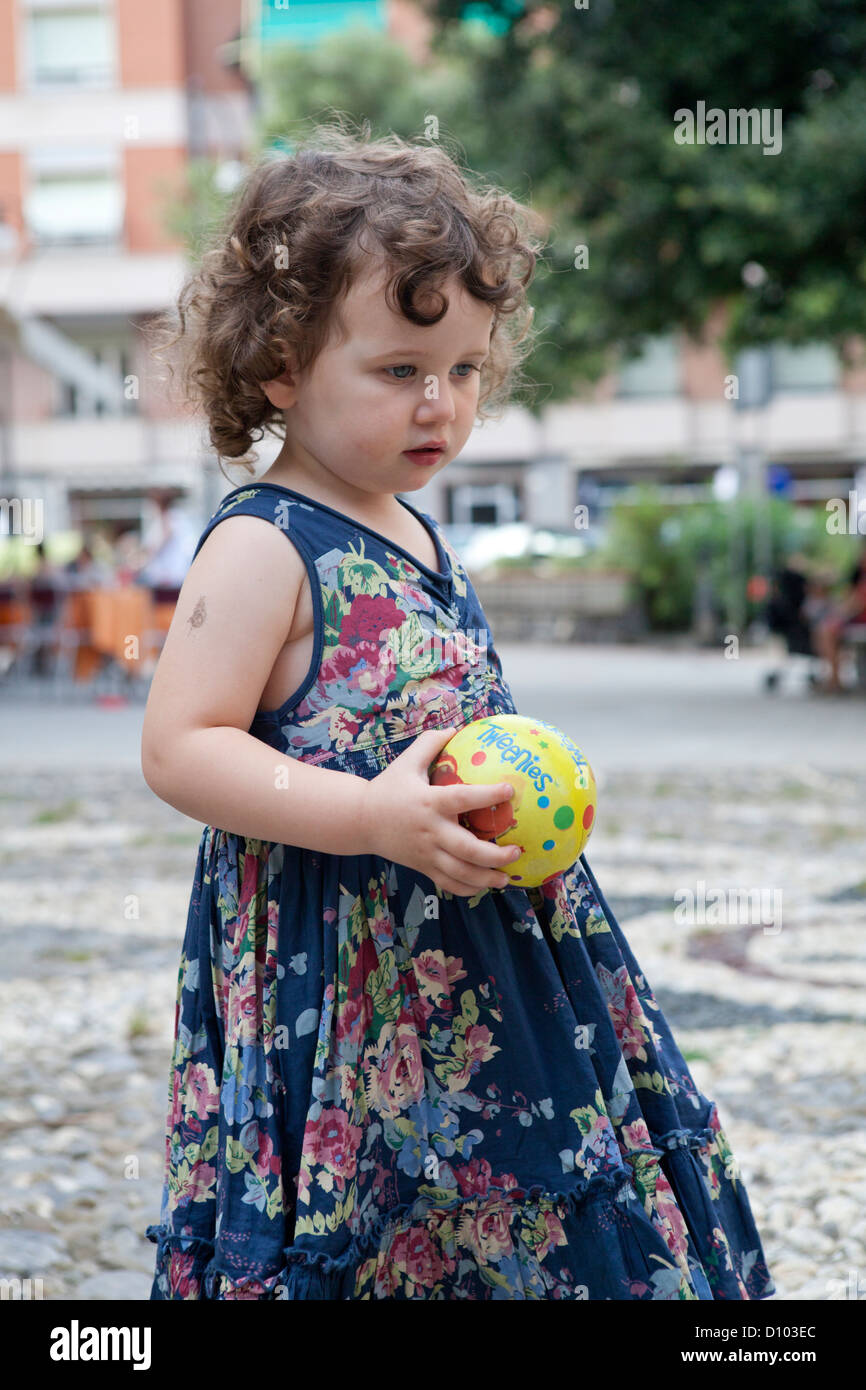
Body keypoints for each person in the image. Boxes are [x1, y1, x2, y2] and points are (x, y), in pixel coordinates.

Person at [140, 123, 774, 1301]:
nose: (441, 404)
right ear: (281, 367)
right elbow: (180, 748)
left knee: (510, 1195)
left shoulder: (416, 526)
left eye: (467, 369)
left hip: (481, 944)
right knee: (377, 1219)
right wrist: (367, 816)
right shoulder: (263, 543)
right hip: (338, 959)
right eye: (397, 371)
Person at [812, 537, 866, 693]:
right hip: (856, 619)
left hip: (859, 620)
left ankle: (835, 680)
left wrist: (839, 612)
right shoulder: (859, 576)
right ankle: (833, 678)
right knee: (825, 628)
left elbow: (855, 604)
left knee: (826, 630)